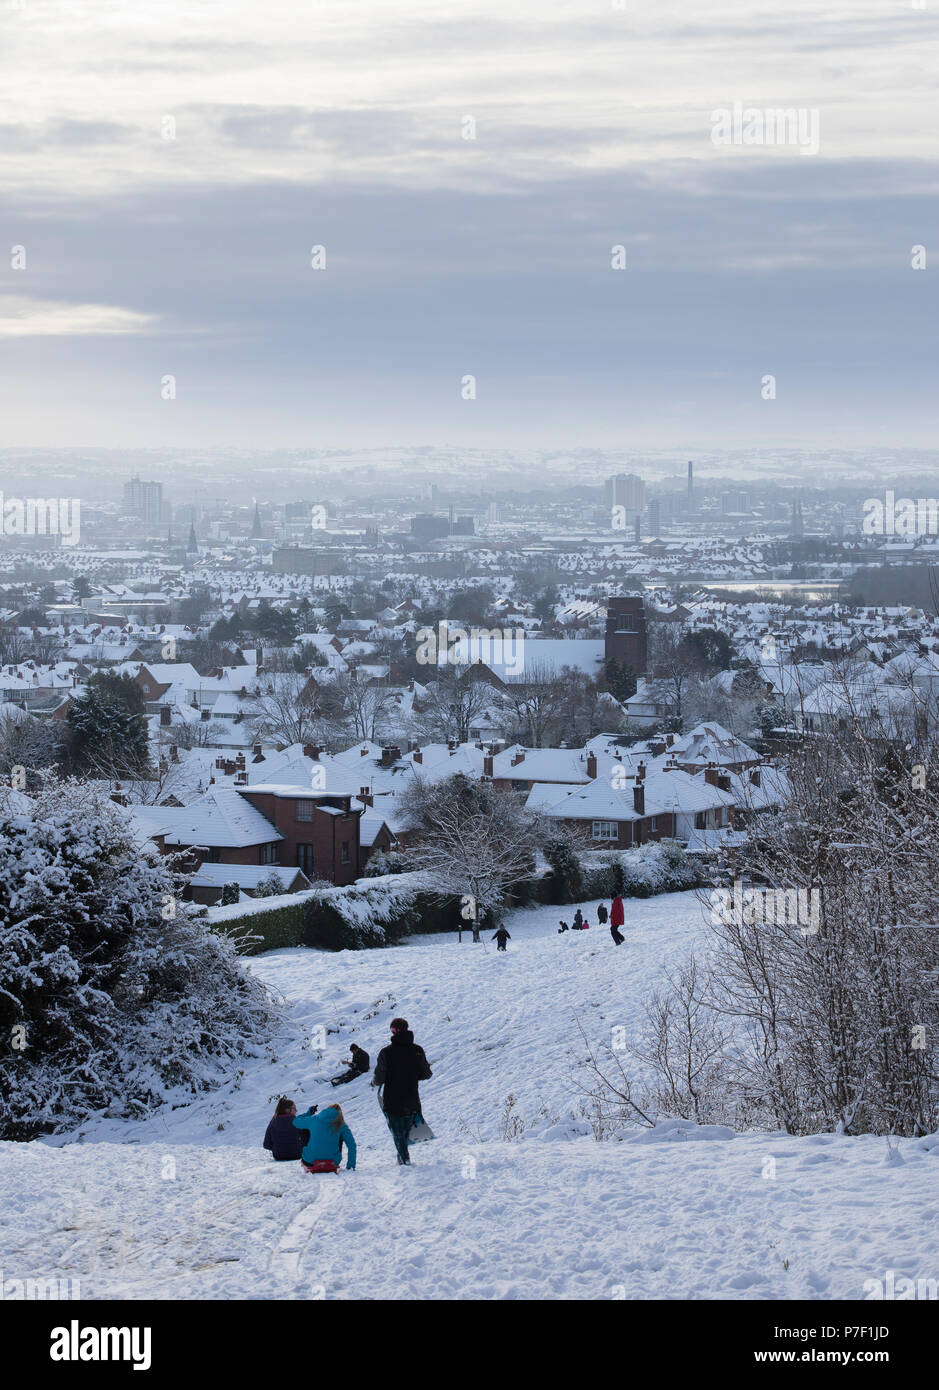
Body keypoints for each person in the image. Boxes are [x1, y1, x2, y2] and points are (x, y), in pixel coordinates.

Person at [373, 1017, 432, 1166]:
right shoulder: (417, 1050)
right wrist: (411, 1076)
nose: (391, 1034)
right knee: (405, 1130)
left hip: (392, 1099)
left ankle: (404, 1159)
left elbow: (380, 1077)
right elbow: (426, 1074)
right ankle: (403, 1158)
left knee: (397, 1131)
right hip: (412, 1097)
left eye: (392, 1031)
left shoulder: (386, 1052)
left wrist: (374, 1082)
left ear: (397, 1030)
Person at [293, 1102, 356, 1173]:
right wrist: (350, 1166)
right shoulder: (341, 1125)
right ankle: (330, 1155)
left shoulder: (314, 1119)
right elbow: (352, 1145)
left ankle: (309, 1154)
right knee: (338, 1135)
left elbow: (296, 1122)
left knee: (305, 1129)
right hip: (333, 1162)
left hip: (310, 1160)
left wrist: (309, 1113)